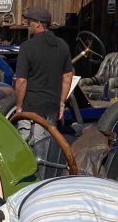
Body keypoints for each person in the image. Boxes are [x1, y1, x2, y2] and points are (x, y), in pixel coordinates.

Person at [13, 8, 73, 145]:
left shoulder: (27, 47)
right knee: (48, 146)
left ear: (38, 24)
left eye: (29, 22)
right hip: (52, 107)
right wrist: (61, 103)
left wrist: (19, 106)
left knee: (30, 148)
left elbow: (21, 82)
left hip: (32, 108)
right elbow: (68, 76)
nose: (27, 25)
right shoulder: (62, 45)